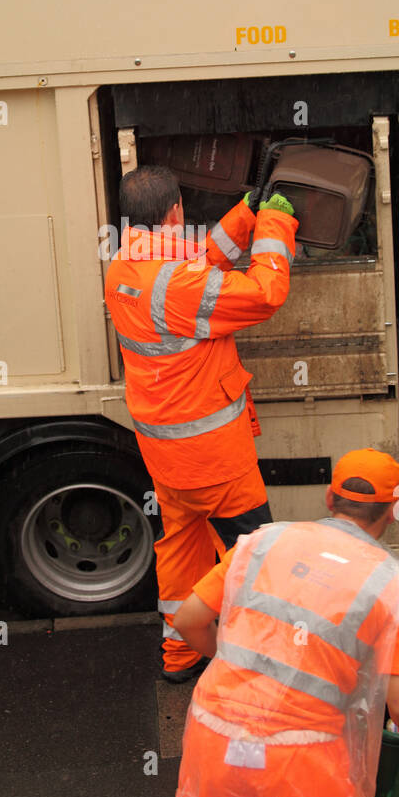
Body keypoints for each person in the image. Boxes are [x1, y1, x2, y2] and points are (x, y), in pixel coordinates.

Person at [169, 448, 399, 797]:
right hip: (304, 763)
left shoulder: (262, 542)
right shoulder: (392, 585)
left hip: (215, 740)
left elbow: (187, 621)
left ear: (328, 498)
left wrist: (236, 663)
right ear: (395, 509)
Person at [104, 165, 298, 681]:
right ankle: (266, 663)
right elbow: (263, 294)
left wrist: (246, 213)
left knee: (182, 555)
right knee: (256, 558)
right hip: (215, 459)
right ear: (175, 212)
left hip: (165, 457)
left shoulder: (123, 266)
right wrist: (276, 228)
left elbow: (196, 262)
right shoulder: (180, 286)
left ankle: (181, 653)